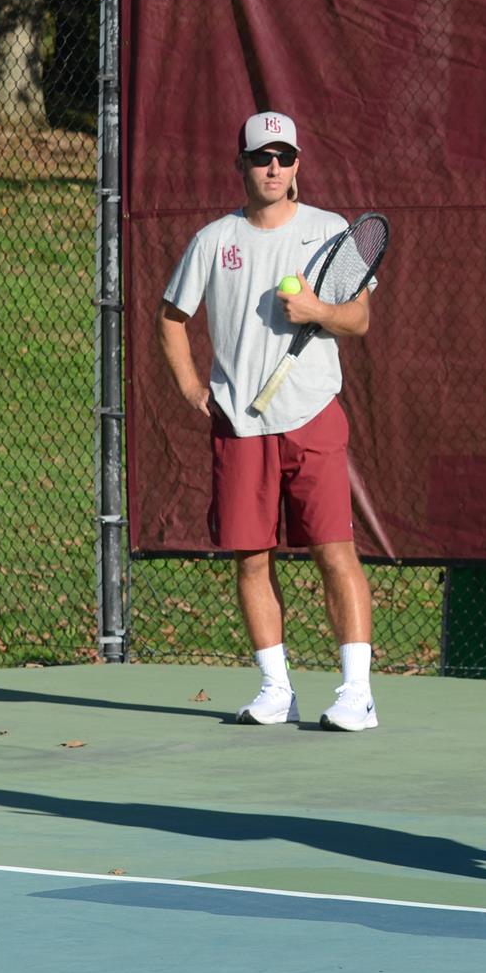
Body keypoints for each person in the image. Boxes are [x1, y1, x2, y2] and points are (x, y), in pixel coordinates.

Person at [158, 110, 381, 732]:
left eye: (284, 157)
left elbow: (358, 321)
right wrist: (190, 387)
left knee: (334, 551)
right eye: (262, 158)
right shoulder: (213, 240)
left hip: (312, 415)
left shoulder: (330, 230)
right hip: (238, 422)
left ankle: (357, 693)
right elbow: (172, 317)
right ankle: (275, 689)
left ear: (298, 166)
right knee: (251, 559)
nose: (274, 167)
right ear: (243, 167)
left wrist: (317, 309)